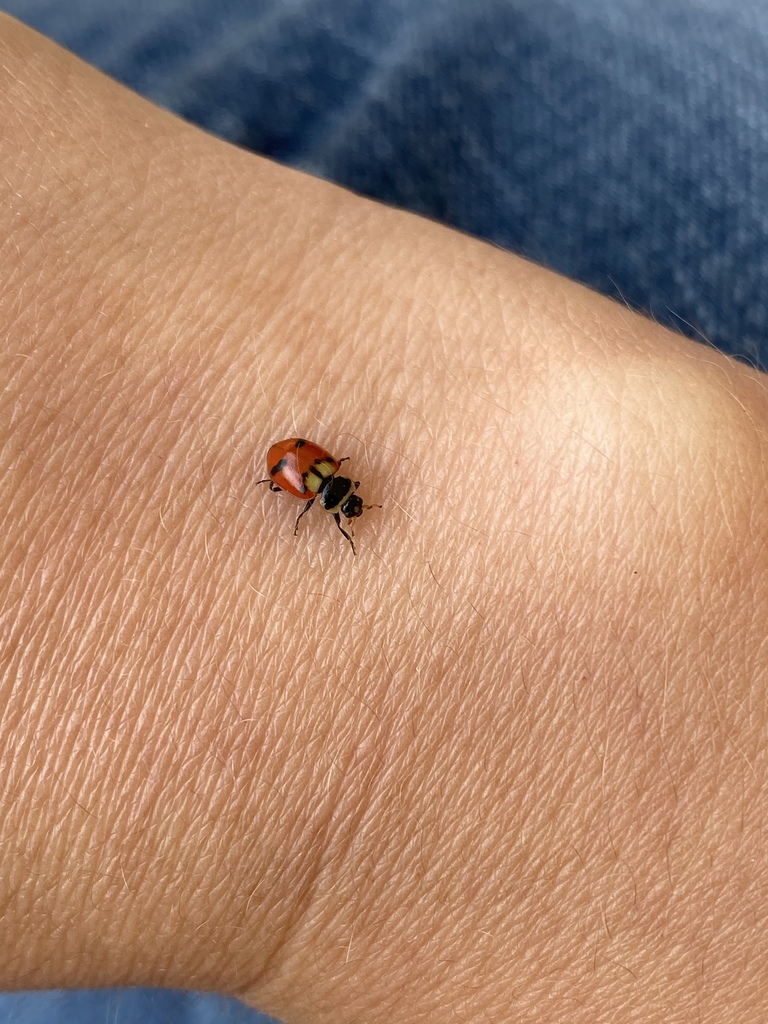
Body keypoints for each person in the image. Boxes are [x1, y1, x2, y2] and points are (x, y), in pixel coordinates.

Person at [0, 5, 766, 1024]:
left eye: (335, 492)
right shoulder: (310, 476)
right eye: (336, 492)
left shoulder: (317, 478)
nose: (337, 493)